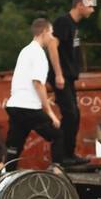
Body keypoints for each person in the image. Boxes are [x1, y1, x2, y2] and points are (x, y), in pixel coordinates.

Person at [4, 18, 61, 171]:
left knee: (14, 146)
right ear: (43, 32)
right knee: (58, 135)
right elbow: (37, 83)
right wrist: (49, 112)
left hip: (15, 106)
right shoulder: (40, 55)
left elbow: (25, 82)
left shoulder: (25, 51)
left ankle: (5, 176)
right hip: (28, 109)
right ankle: (59, 169)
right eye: (51, 33)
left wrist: (39, 98)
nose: (52, 37)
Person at [49, 0, 96, 167]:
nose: (92, 9)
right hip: (61, 77)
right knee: (70, 114)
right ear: (80, 5)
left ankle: (68, 154)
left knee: (74, 115)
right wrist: (58, 74)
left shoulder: (75, 26)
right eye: (90, 5)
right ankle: (61, 157)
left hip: (69, 77)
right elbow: (52, 46)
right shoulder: (63, 22)